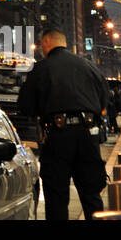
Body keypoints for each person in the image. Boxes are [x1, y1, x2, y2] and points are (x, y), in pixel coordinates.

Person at [18, 28, 109, 221]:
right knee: (92, 194)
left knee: (56, 197)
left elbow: (25, 106)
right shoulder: (89, 66)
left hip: (57, 136)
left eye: (42, 45)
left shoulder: (42, 68)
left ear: (47, 42)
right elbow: (104, 97)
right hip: (87, 135)